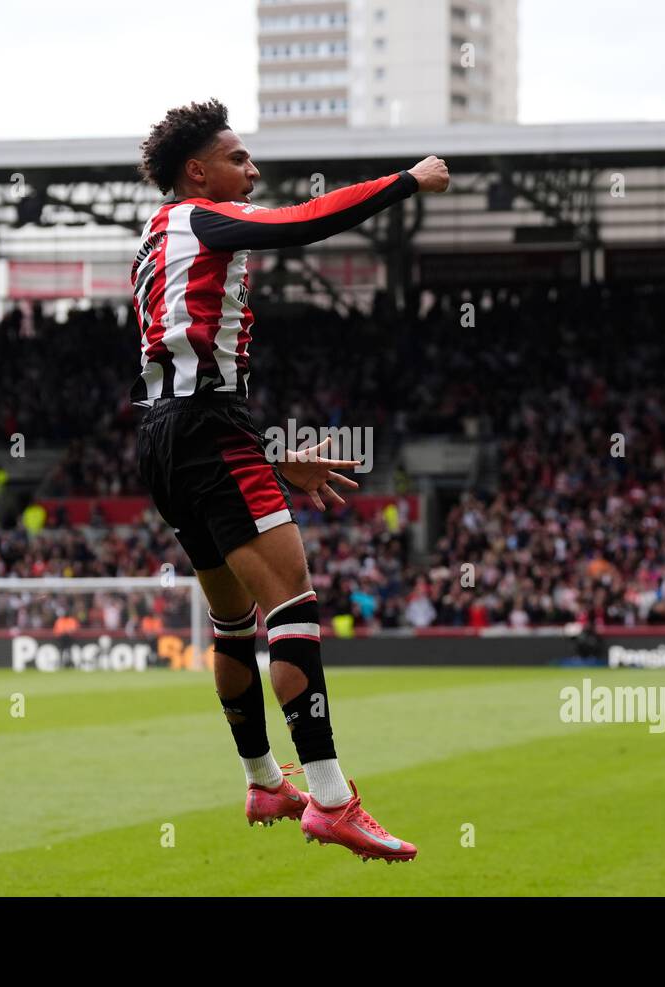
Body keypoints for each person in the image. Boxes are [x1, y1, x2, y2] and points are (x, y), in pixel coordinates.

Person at [131, 98, 449, 863]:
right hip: (208, 430)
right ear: (197, 170)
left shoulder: (152, 237)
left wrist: (266, 457)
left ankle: (266, 778)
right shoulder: (204, 219)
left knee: (234, 618)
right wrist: (406, 181)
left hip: (164, 438)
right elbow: (301, 221)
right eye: (240, 158)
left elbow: (179, 376)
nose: (254, 169)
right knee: (294, 603)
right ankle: (334, 801)